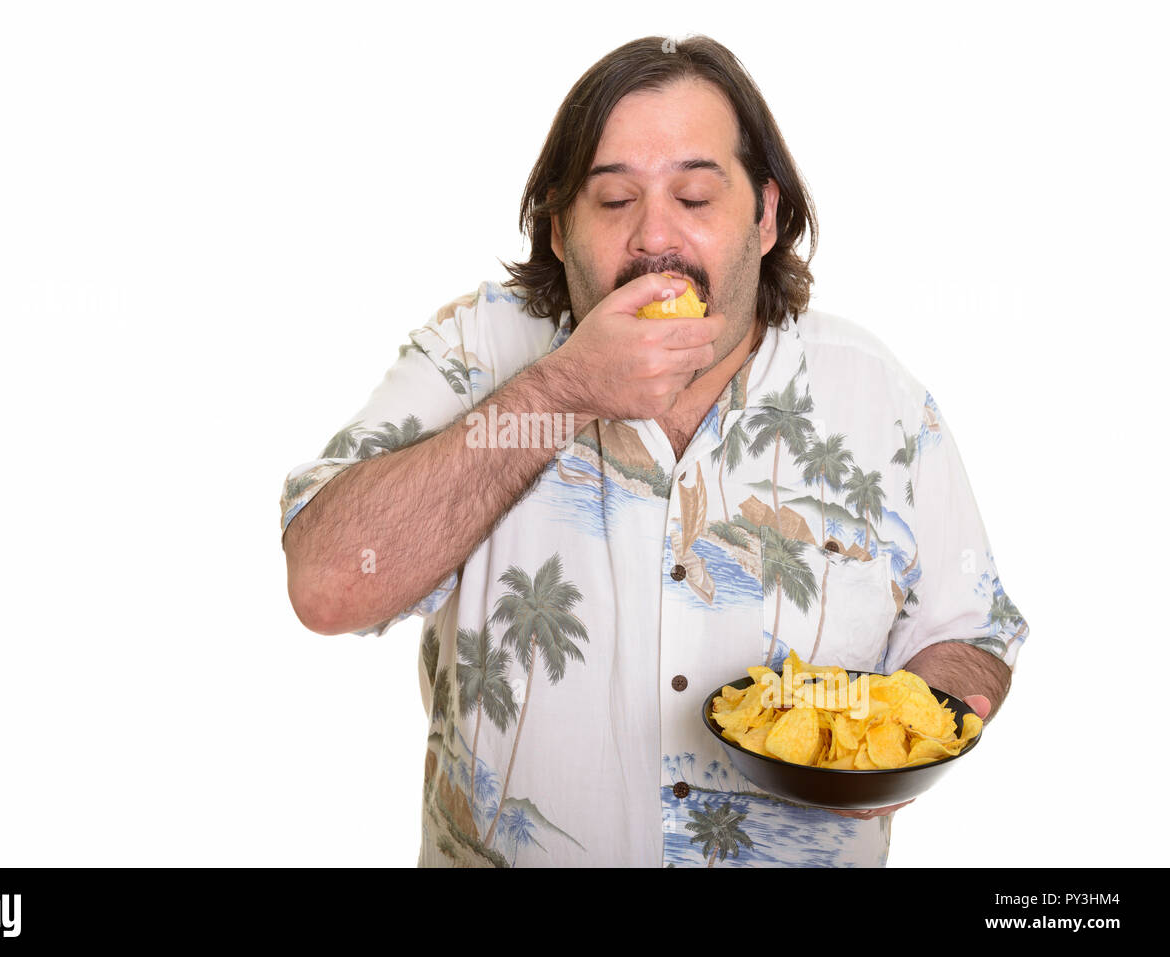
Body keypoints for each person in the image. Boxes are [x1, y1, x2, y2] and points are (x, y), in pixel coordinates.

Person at [280, 35, 1024, 867]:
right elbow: (329, 582)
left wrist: (907, 732)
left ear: (767, 215)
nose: (654, 238)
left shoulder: (878, 395)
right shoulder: (480, 349)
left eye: (697, 197)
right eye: (612, 200)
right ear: (559, 229)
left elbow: (972, 628)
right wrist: (561, 390)